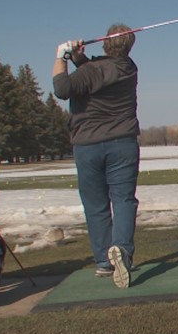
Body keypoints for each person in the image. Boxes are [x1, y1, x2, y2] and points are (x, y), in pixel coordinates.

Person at [51, 25, 140, 288]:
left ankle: (104, 261)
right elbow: (98, 74)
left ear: (104, 44)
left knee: (96, 204)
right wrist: (78, 58)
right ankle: (122, 251)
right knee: (123, 200)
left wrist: (61, 57)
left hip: (88, 147)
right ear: (128, 47)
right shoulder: (129, 69)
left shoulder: (90, 72)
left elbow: (62, 88)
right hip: (123, 144)